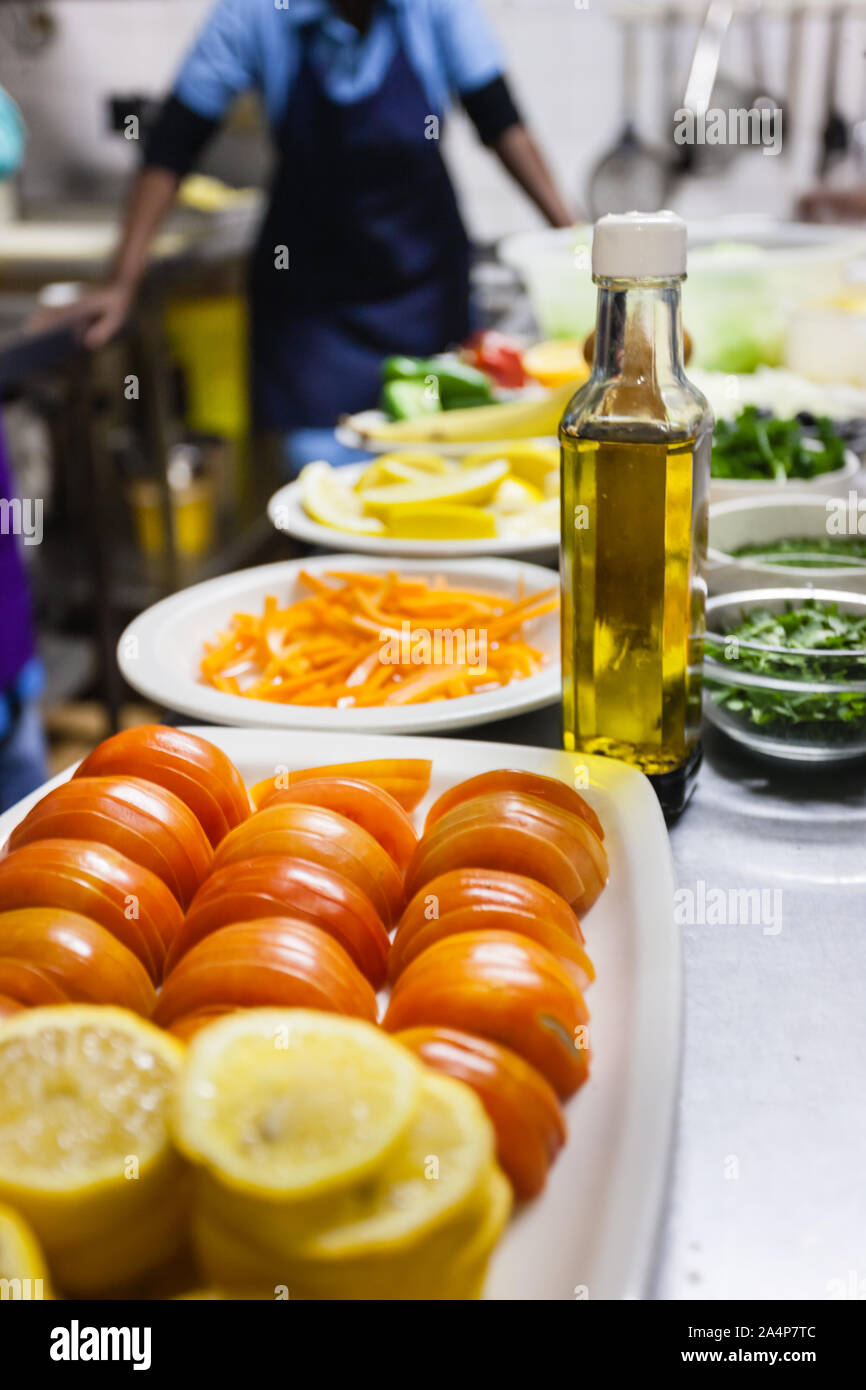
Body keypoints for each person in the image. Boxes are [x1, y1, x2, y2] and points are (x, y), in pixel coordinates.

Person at [33, 0, 573, 470]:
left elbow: (501, 122)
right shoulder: (257, 11)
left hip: (424, 296)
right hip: (312, 320)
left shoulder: (436, 7)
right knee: (325, 487)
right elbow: (174, 143)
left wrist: (577, 248)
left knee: (444, 475)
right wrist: (121, 282)